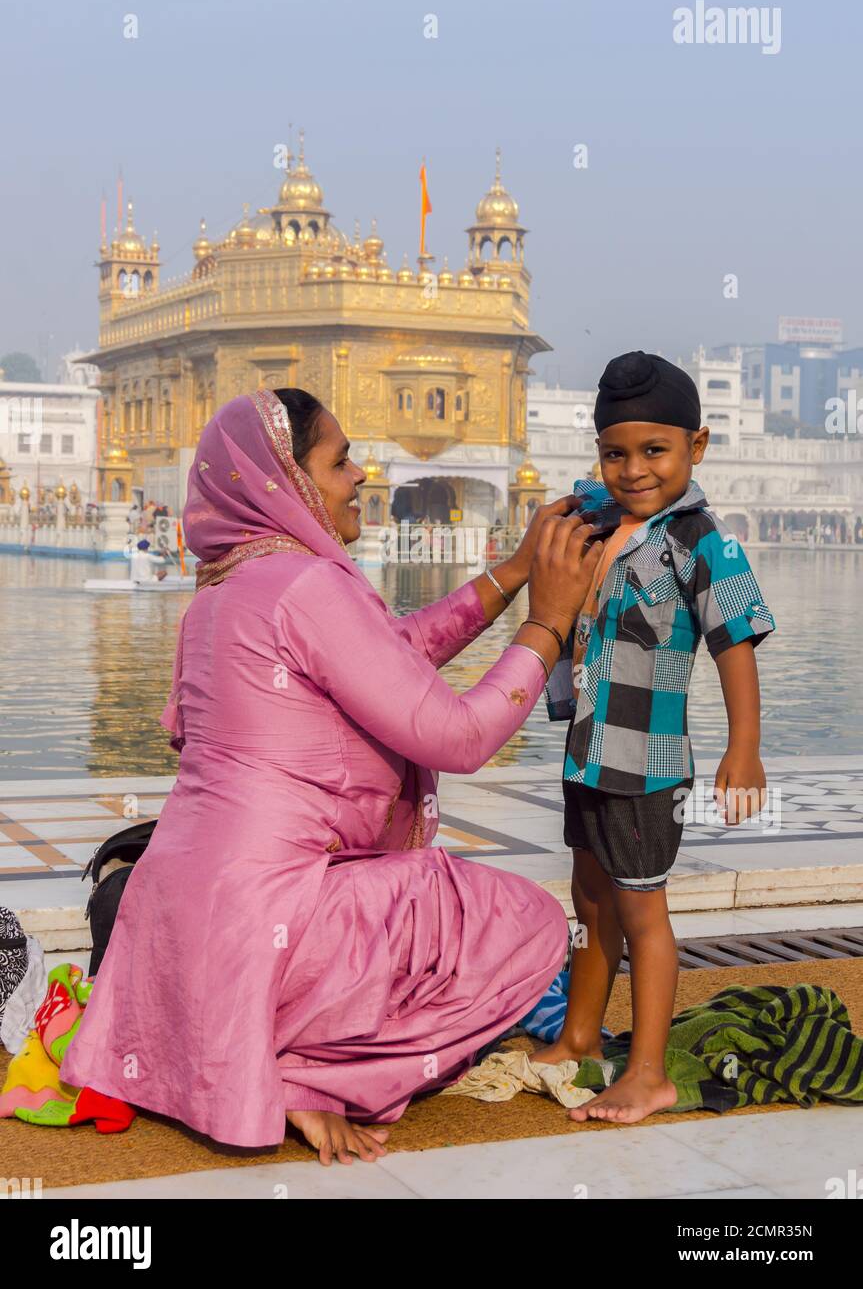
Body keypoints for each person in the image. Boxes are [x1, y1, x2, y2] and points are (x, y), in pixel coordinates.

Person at [61, 387, 602, 1164]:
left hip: (181, 923)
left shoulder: (221, 592)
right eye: (340, 461)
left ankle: (262, 1050)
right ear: (286, 480)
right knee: (524, 922)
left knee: (391, 893)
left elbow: (391, 656)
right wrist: (547, 620)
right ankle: (309, 1075)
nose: (360, 476)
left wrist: (514, 571)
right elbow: (459, 739)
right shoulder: (308, 585)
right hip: (272, 920)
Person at [536, 351, 775, 1123]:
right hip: (587, 752)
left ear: (695, 446)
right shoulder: (599, 521)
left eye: (653, 450)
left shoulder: (702, 541)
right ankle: (579, 1035)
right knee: (589, 896)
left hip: (646, 765)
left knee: (641, 911)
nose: (633, 469)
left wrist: (743, 749)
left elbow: (733, 643)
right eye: (615, 453)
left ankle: (646, 1073)